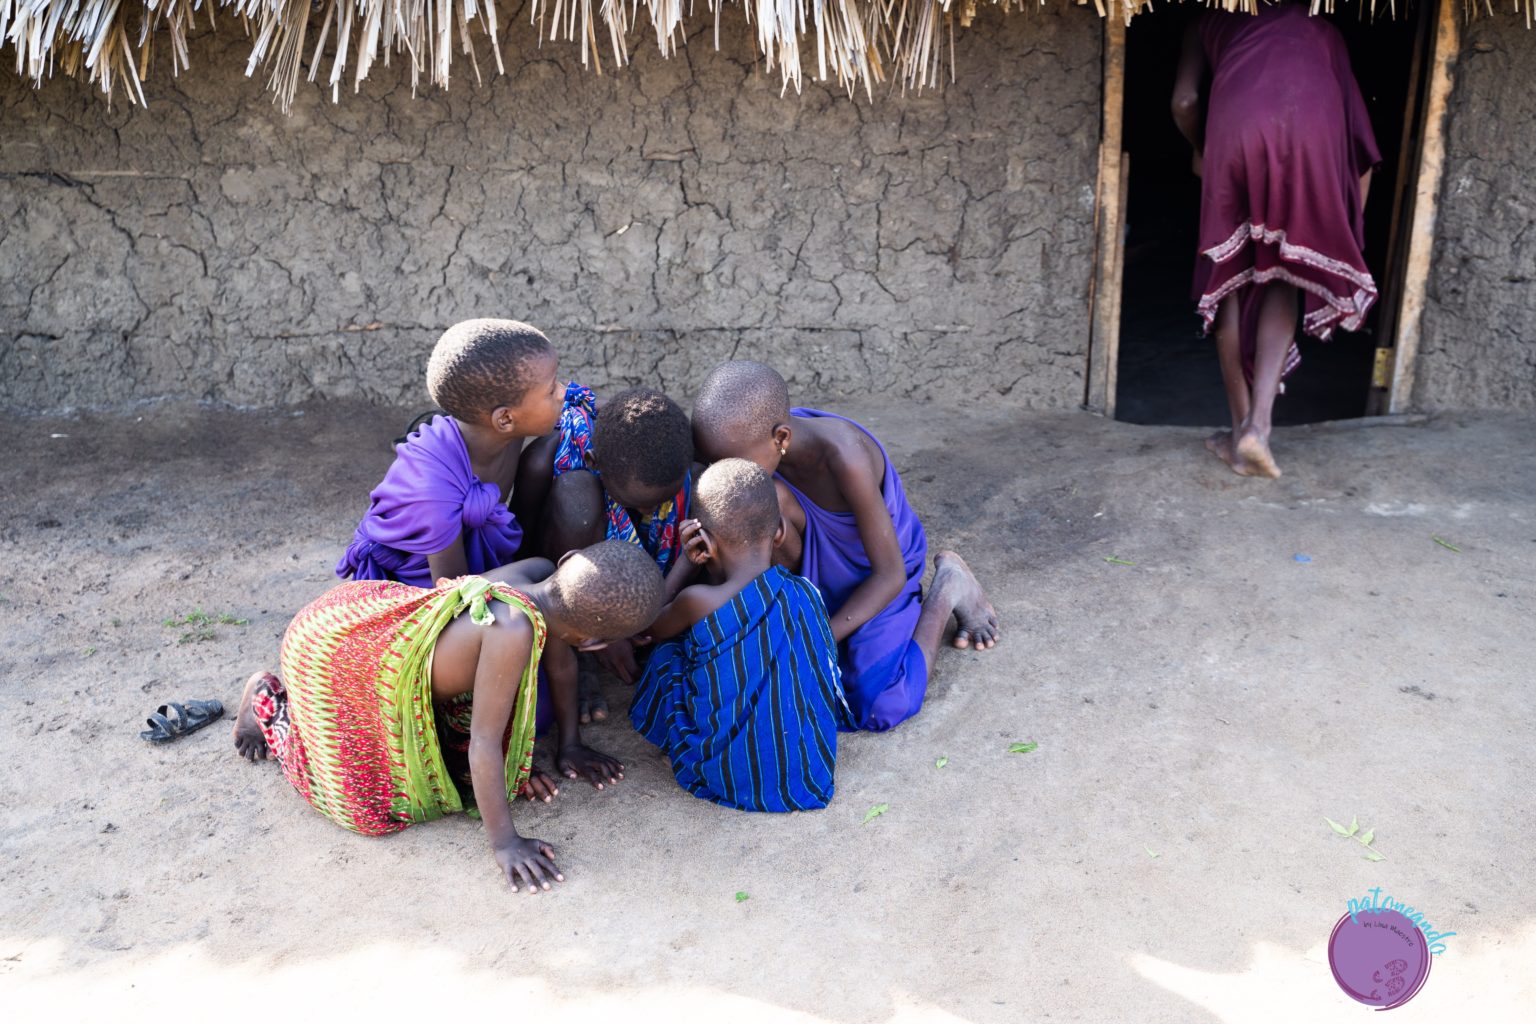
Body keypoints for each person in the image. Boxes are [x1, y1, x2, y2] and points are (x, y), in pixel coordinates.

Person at [231, 542, 665, 892]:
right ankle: (269, 701)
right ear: (592, 643)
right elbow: (483, 743)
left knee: (470, 769)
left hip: (356, 612)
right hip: (339, 658)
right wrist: (505, 843)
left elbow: (561, 664)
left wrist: (570, 745)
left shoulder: (539, 573)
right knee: (366, 804)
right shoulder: (513, 629)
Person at [691, 361, 998, 733]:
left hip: (874, 571)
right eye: (712, 463)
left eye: (731, 464)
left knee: (880, 702)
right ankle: (795, 619)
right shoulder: (749, 442)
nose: (723, 475)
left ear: (781, 438)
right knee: (749, 508)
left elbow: (890, 574)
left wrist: (815, 641)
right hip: (807, 558)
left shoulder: (845, 457)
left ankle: (947, 589)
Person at [1173, 1, 1380, 478]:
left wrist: (1203, 149)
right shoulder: (1323, 30)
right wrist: (1345, 228)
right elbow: (1361, 146)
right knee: (1283, 276)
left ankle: (1237, 431)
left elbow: (1184, 101)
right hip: (1313, 137)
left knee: (1227, 279)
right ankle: (1258, 430)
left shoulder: (1207, 19)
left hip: (1236, 131)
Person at [632, 459, 852, 812]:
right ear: (779, 532)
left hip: (727, 776)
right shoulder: (805, 592)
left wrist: (685, 563)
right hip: (805, 768)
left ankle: (677, 746)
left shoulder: (698, 601)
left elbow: (649, 629)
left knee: (666, 655)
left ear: (704, 541)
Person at [513, 384, 698, 716]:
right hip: (569, 582)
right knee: (575, 497)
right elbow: (522, 552)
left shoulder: (670, 458)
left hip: (637, 577)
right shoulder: (542, 462)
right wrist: (598, 632)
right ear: (593, 461)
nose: (653, 511)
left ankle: (647, 622)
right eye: (638, 503)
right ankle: (578, 654)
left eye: (663, 501)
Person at [336, 319, 563, 586]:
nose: (562, 392)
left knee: (546, 453)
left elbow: (579, 405)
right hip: (426, 588)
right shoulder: (433, 494)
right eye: (552, 389)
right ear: (505, 419)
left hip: (473, 562)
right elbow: (451, 593)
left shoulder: (505, 429)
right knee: (543, 569)